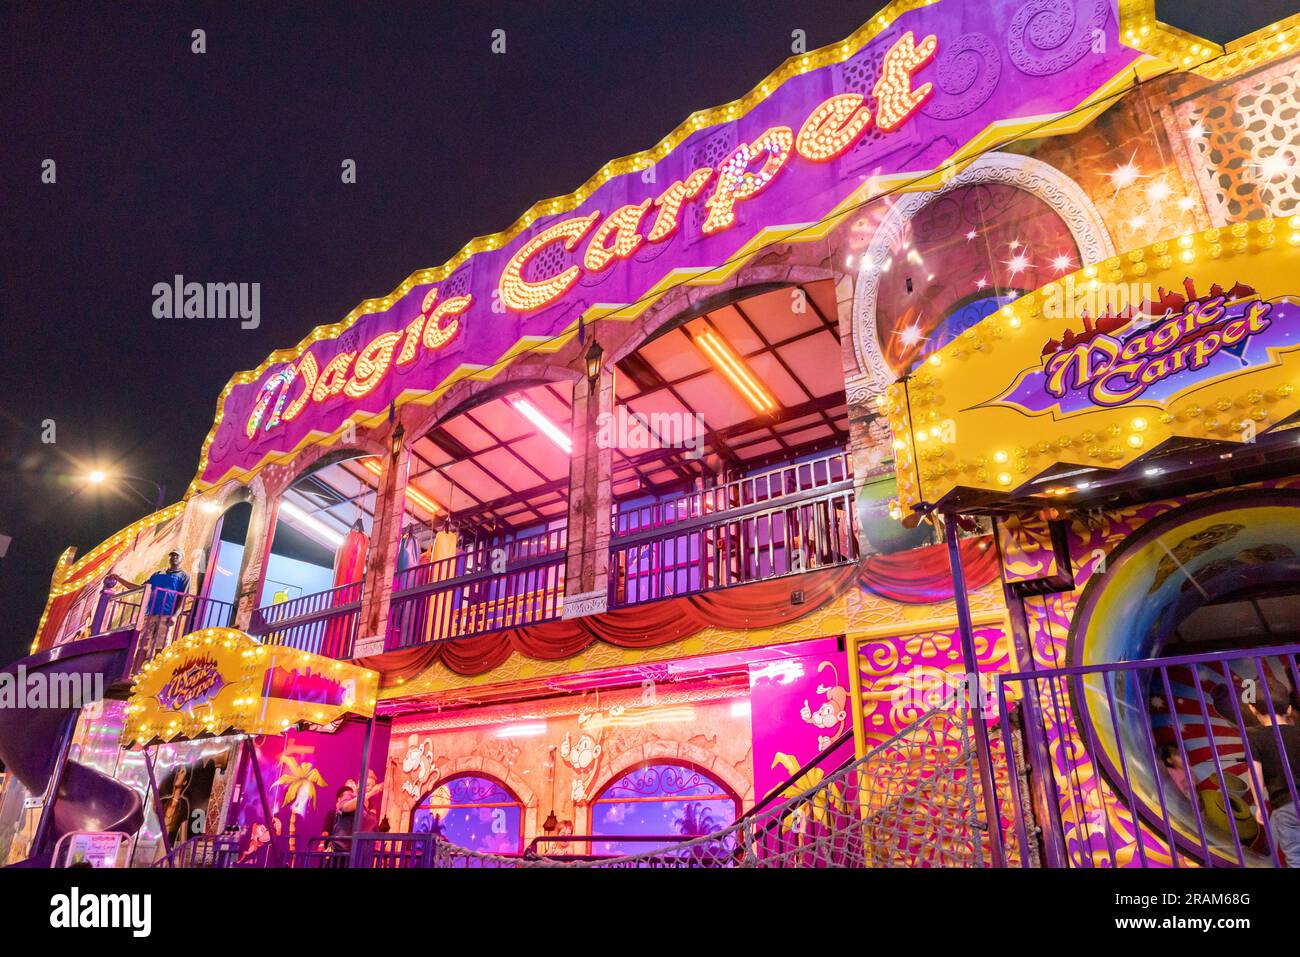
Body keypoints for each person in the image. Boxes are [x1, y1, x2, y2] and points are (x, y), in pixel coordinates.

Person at [1244, 676, 1300, 866]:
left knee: (1295, 856)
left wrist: (1260, 804)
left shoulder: (1254, 736)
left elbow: (1255, 774)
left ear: (1253, 709)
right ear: (1289, 709)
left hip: (1284, 804)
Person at [112, 550, 192, 658]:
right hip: (150, 614)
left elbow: (183, 597)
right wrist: (119, 579)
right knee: (142, 645)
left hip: (166, 615)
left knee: (161, 646)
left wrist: (175, 616)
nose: (174, 558)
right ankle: (135, 671)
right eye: (172, 555)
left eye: (177, 556)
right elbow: (141, 588)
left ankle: (155, 672)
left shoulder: (184, 576)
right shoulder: (158, 574)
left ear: (182, 559)